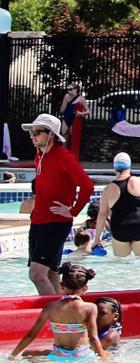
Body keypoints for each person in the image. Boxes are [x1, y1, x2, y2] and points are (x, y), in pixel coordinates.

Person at [21, 114, 96, 295]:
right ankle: (62, 315)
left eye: (38, 132)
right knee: (52, 272)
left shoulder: (64, 157)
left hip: (54, 223)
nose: (33, 136)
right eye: (32, 132)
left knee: (37, 275)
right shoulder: (40, 155)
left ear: (51, 134)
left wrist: (73, 211)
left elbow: (87, 185)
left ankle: (54, 315)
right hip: (38, 221)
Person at [9, 262, 111, 362]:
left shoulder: (51, 307)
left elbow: (31, 335)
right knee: (108, 353)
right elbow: (93, 338)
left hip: (59, 356)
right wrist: (104, 358)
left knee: (27, 353)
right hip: (82, 355)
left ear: (61, 285)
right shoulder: (90, 308)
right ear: (85, 288)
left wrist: (13, 355)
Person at [95, 152, 140, 258]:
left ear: (114, 167)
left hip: (119, 228)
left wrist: (97, 239)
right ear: (129, 166)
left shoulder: (108, 189)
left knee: (121, 264)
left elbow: (102, 215)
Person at [59, 85, 88, 157]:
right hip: (66, 118)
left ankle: (72, 156)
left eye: (70, 89)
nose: (69, 91)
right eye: (68, 89)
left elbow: (88, 111)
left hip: (74, 120)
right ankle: (64, 156)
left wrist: (81, 113)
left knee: (73, 139)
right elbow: (62, 110)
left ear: (76, 90)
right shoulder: (66, 97)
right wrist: (64, 101)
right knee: (64, 138)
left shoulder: (81, 99)